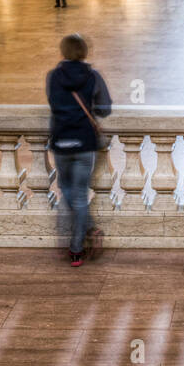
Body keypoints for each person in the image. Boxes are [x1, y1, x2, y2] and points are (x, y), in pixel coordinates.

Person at [46, 34, 112, 267]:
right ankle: (78, 248)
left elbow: (53, 103)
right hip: (85, 143)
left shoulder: (53, 76)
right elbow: (105, 109)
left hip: (61, 142)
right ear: (84, 52)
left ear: (63, 51)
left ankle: (79, 240)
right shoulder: (93, 76)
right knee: (80, 194)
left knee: (67, 190)